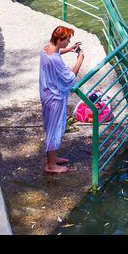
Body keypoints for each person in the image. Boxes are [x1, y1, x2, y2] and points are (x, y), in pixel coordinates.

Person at [39, 25, 84, 175]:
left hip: (46, 93)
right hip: (55, 98)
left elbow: (57, 52)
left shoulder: (47, 49)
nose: (68, 42)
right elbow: (70, 76)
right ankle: (51, 165)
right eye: (67, 40)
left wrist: (70, 49)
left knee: (51, 127)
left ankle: (53, 158)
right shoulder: (56, 61)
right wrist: (80, 59)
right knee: (55, 129)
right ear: (59, 39)